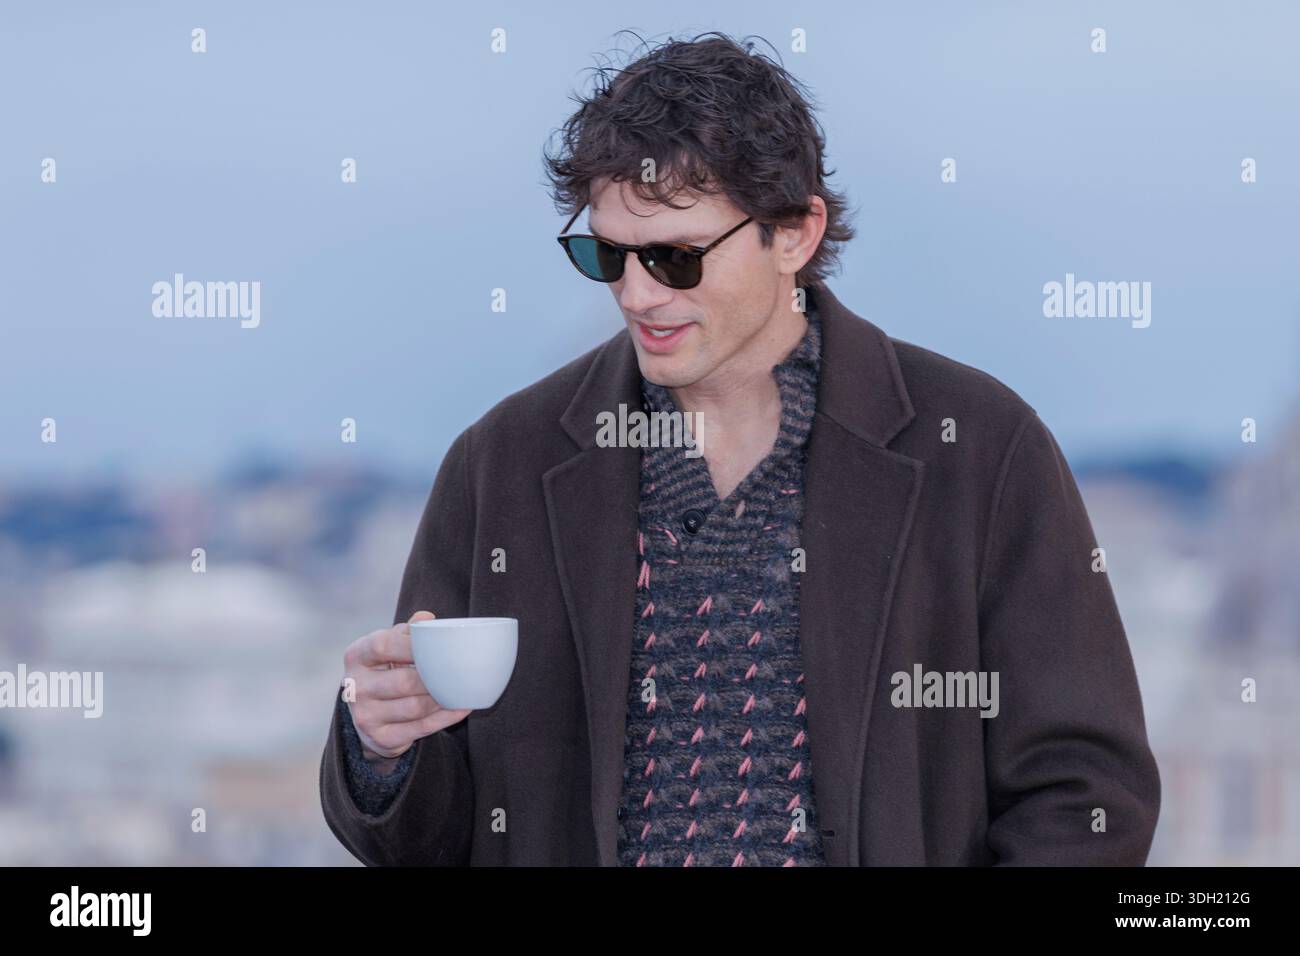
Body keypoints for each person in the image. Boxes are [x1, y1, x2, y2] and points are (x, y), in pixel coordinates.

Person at [319, 32, 1159, 866]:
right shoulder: (502, 460)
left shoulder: (978, 447)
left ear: (794, 233)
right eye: (606, 253)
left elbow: (1086, 792)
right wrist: (381, 749)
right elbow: (427, 837)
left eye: (675, 257)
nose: (635, 293)